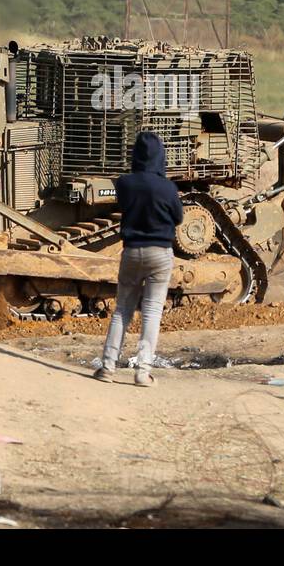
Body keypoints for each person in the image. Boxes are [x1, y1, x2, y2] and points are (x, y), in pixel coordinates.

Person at [94, 131, 183, 387]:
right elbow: (178, 217)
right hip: (160, 253)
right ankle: (143, 372)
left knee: (122, 310)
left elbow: (124, 206)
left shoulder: (125, 183)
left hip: (132, 251)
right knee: (152, 312)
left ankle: (108, 367)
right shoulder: (168, 187)